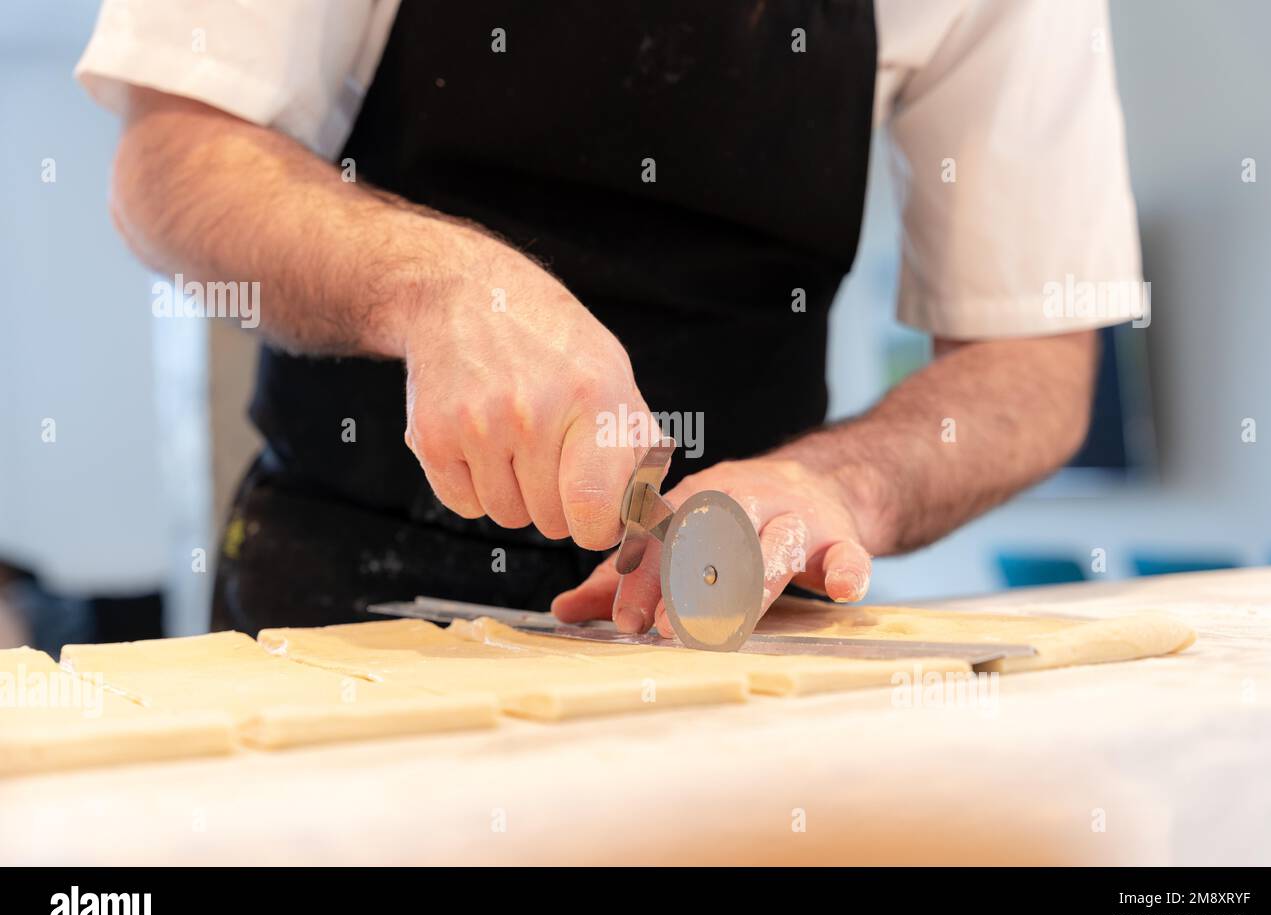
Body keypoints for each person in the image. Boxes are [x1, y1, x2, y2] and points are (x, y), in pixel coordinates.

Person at [76, 0, 1144, 634]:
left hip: (731, 628)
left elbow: (1034, 359)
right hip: (346, 596)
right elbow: (173, 157)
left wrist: (839, 482)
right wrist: (434, 285)